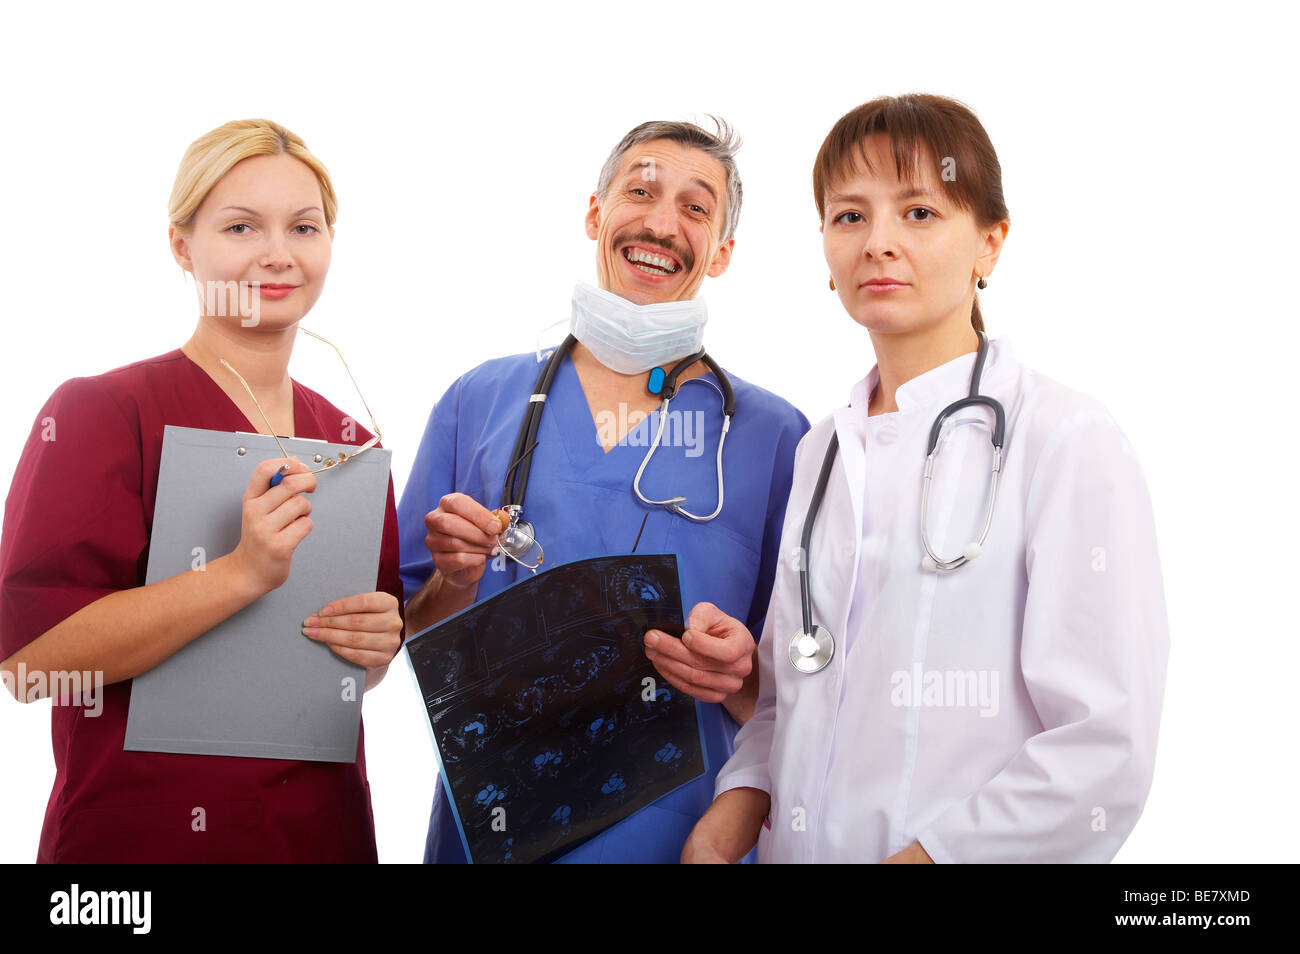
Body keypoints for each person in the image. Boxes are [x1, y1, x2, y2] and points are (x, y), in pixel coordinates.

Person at [681, 94, 1170, 864]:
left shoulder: (1066, 441)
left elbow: (1105, 749)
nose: (878, 244)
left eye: (918, 213)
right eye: (849, 217)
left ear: (990, 244)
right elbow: (787, 701)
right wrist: (734, 808)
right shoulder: (821, 452)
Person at [398, 118, 810, 863]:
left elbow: (800, 704)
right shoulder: (480, 402)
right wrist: (455, 581)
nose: (661, 222)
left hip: (684, 837)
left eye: (695, 207)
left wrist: (740, 676)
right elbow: (407, 634)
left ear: (721, 253)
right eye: (641, 191)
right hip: (493, 830)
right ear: (595, 213)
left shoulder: (774, 437)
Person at [0, 119, 403, 863]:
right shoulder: (99, 413)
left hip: (320, 834)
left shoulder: (351, 443)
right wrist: (236, 575)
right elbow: (30, 666)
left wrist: (375, 645)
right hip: (138, 846)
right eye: (242, 226)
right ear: (182, 247)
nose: (278, 254)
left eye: (304, 226)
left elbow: (346, 668)